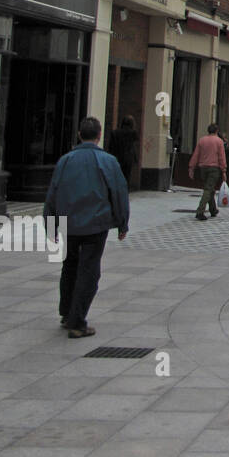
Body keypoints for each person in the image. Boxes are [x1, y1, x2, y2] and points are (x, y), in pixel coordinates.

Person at [44, 117, 129, 338]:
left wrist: (50, 224)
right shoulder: (108, 161)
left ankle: (66, 312)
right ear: (99, 135)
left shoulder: (65, 160)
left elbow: (52, 192)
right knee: (89, 271)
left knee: (70, 266)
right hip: (95, 224)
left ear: (79, 135)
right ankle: (76, 321)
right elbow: (119, 193)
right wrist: (122, 223)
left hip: (69, 223)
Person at [189, 123, 226, 221]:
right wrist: (223, 170)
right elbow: (221, 157)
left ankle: (213, 209)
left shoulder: (202, 140)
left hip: (203, 168)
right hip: (214, 168)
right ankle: (200, 211)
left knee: (210, 189)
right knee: (208, 189)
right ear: (217, 131)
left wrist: (191, 167)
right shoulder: (219, 141)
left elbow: (196, 154)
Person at [106, 116, 139, 191]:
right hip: (128, 158)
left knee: (117, 175)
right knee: (127, 175)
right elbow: (135, 141)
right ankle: (125, 190)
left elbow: (111, 147)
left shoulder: (115, 133)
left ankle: (117, 189)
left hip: (117, 157)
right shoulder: (133, 133)